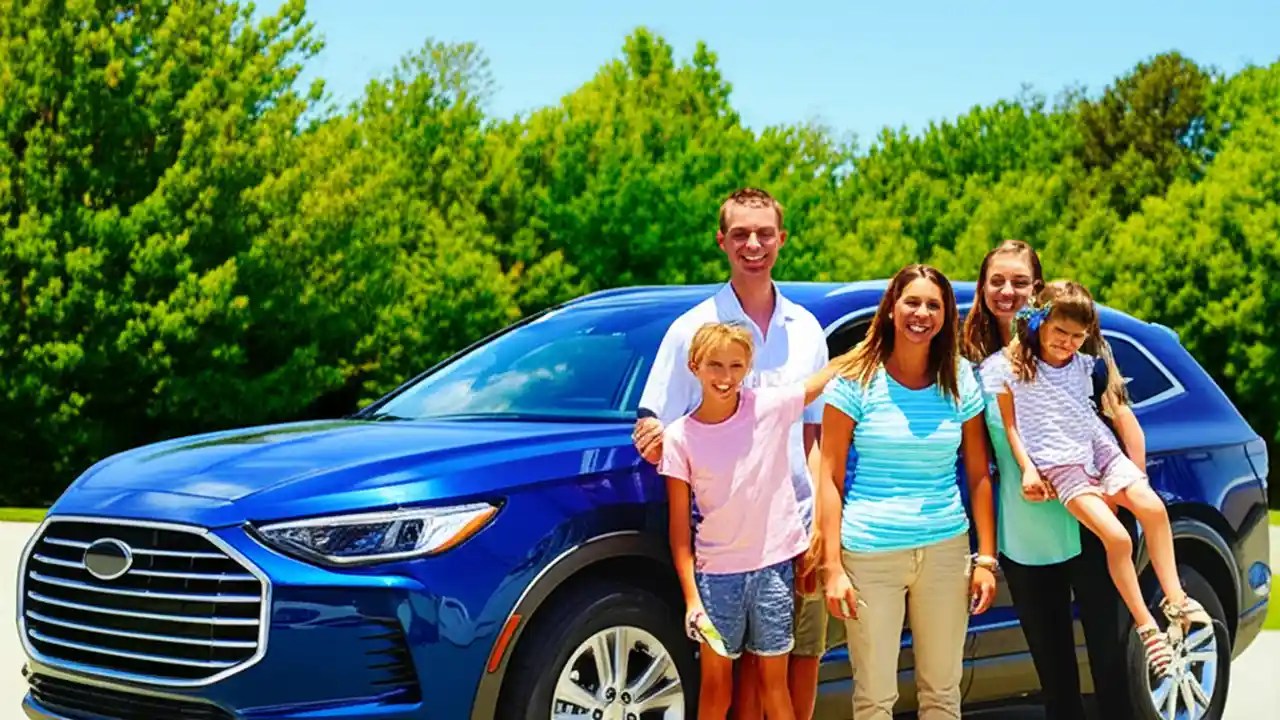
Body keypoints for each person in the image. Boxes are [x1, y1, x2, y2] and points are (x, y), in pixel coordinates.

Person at [633, 187, 831, 719]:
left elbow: (816, 434)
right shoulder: (691, 330)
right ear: (722, 241)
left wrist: (819, 526)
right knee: (741, 677)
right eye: (740, 233)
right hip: (727, 542)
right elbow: (656, 421)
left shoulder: (807, 328)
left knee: (799, 662)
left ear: (781, 240)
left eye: (764, 233)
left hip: (796, 530)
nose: (753, 244)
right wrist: (650, 433)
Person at [983, 279, 1212, 679]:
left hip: (1099, 450)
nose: (1067, 343)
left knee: (1154, 509)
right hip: (1060, 465)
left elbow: (1118, 416)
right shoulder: (1009, 368)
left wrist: (1127, 481)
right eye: (1060, 333)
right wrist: (1029, 469)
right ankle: (1146, 626)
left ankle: (1176, 600)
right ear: (1039, 323)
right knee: (1118, 539)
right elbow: (1011, 426)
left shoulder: (1086, 364)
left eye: (1077, 336)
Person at [817, 263, 998, 720]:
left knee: (942, 692)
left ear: (945, 316)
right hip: (870, 557)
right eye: (912, 302)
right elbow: (830, 476)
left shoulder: (958, 377)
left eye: (933, 305)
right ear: (892, 309)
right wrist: (832, 566)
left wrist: (986, 560)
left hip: (945, 552)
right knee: (875, 697)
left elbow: (979, 473)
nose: (922, 313)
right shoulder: (856, 378)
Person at [961, 239, 1131, 719]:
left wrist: (1120, 493)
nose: (1008, 291)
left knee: (1111, 662)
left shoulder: (1076, 345)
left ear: (1037, 290)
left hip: (1090, 519)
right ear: (983, 287)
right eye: (997, 280)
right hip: (1025, 528)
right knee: (1054, 676)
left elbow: (1122, 423)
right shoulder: (972, 357)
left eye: (1020, 281)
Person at [662, 322, 839, 720]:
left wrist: (881, 336)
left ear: (748, 368)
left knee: (774, 688)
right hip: (716, 580)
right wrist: (693, 599)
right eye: (715, 365)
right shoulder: (679, 438)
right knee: (716, 689)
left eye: (736, 366)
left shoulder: (768, 408)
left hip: (773, 573)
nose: (725, 377)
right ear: (695, 366)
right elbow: (679, 535)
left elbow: (825, 376)